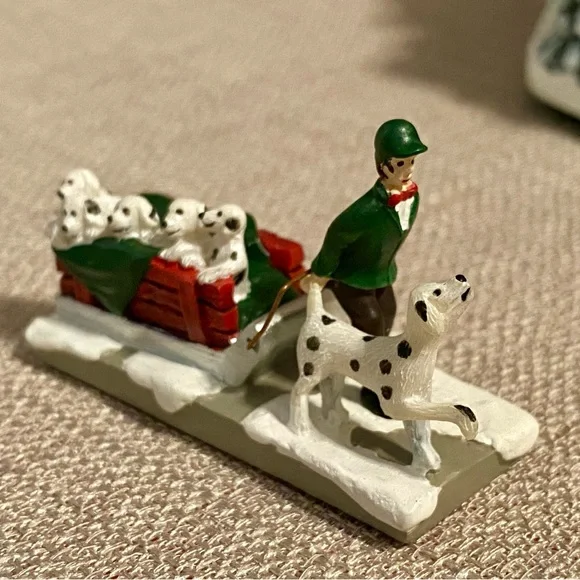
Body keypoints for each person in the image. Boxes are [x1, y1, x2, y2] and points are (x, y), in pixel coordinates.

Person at [309, 119, 427, 336]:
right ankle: (365, 355)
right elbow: (337, 233)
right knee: (371, 321)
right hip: (352, 277)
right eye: (400, 163)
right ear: (383, 165)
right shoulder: (368, 208)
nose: (409, 169)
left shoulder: (412, 198)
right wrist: (321, 271)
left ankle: (383, 351)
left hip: (381, 273)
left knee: (389, 312)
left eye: (411, 161)